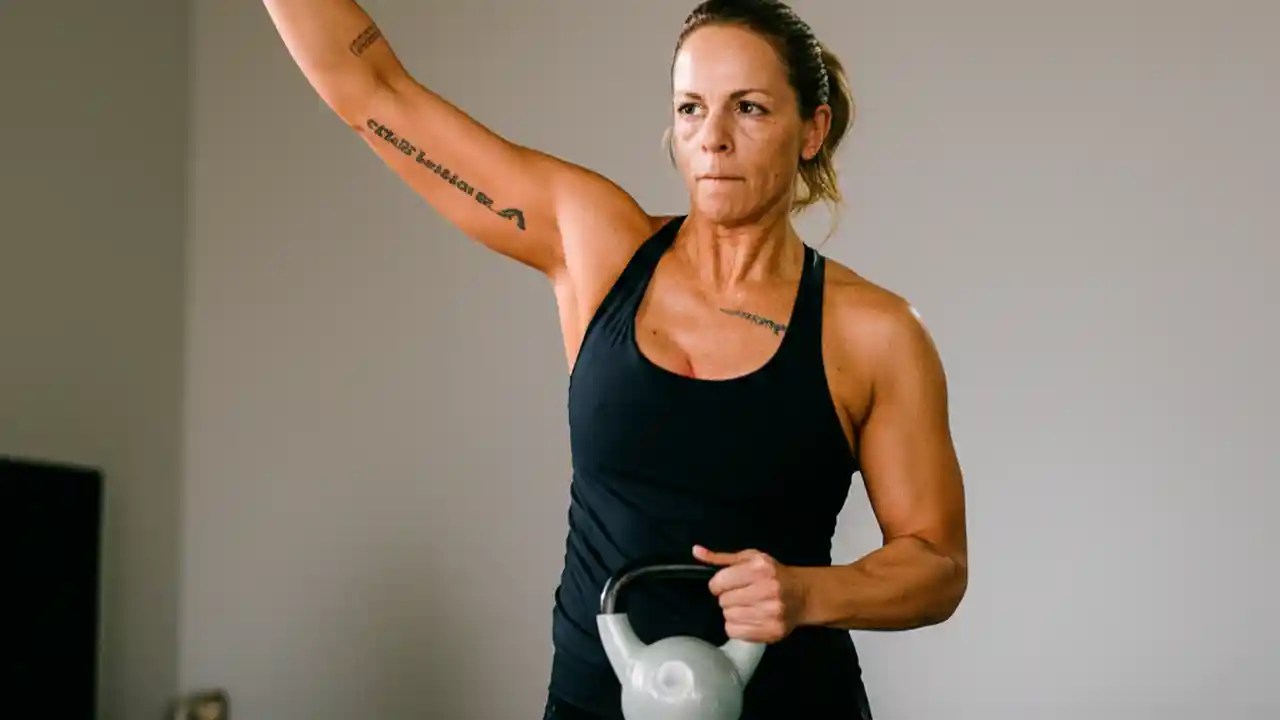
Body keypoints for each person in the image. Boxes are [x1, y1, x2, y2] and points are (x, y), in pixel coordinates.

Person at [262, 0, 968, 717]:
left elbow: (937, 562)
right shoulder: (598, 250)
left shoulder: (872, 332)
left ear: (812, 129)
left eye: (749, 108)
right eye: (691, 108)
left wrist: (808, 592)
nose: (713, 139)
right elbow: (374, 92)